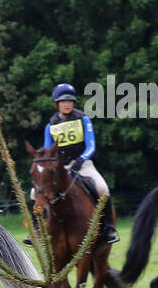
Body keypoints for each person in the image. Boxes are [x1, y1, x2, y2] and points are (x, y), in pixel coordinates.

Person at [41, 83, 119, 245]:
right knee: (36, 193)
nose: (67, 104)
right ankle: (38, 228)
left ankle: (108, 228)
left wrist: (81, 159)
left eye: (70, 101)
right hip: (59, 169)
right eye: (63, 101)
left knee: (102, 188)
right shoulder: (50, 126)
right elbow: (48, 150)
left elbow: (91, 146)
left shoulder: (83, 119)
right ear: (57, 104)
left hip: (83, 164)